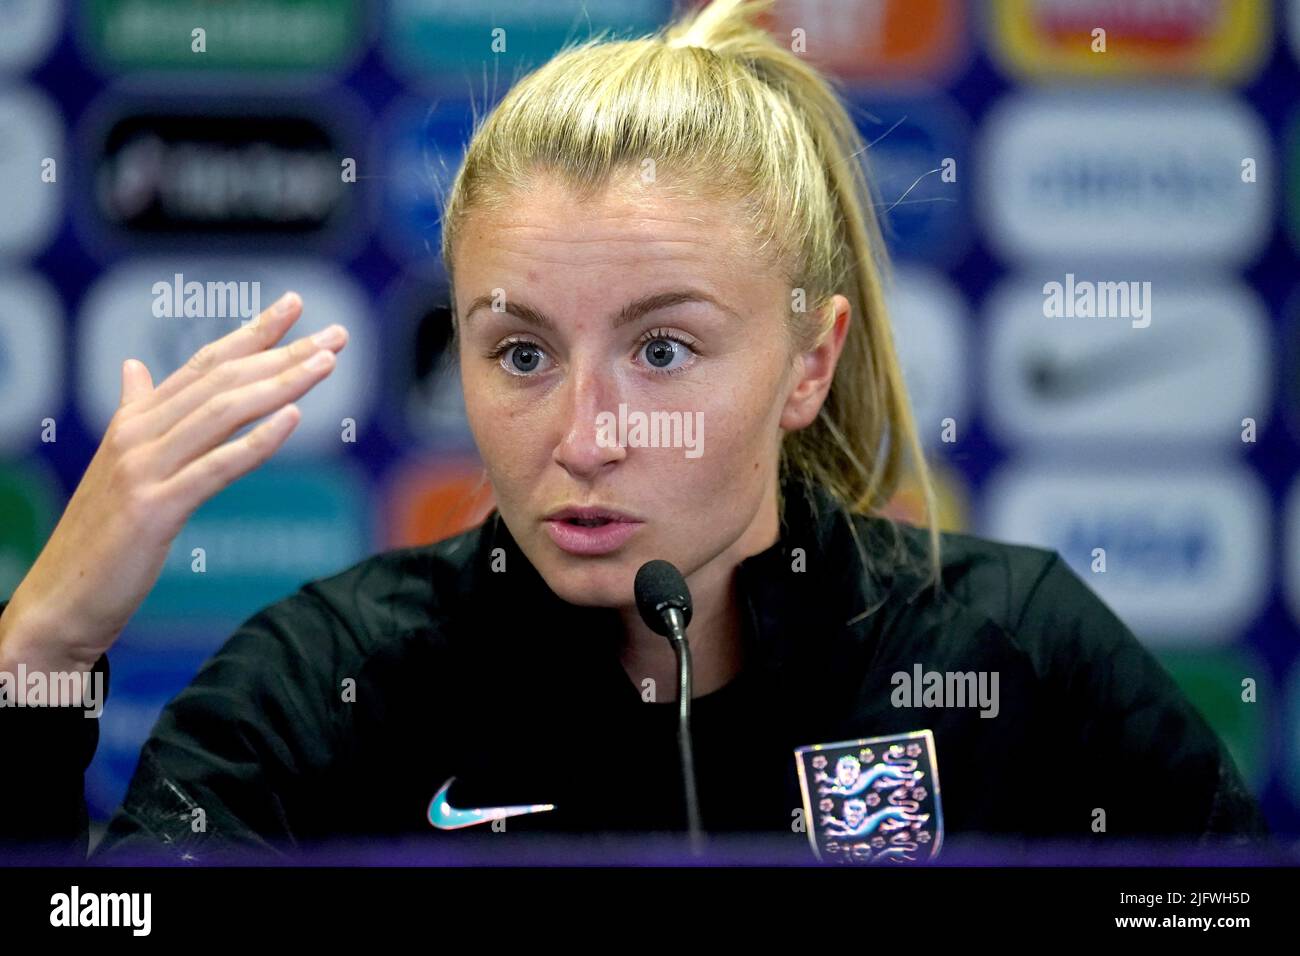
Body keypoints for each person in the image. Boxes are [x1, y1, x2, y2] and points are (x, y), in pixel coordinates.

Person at [0, 0, 1268, 864]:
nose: (586, 433)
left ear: (806, 364)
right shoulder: (330, 684)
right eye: (521, 353)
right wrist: (45, 647)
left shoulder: (1014, 654)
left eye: (662, 351)